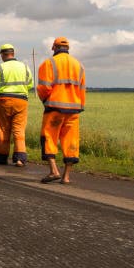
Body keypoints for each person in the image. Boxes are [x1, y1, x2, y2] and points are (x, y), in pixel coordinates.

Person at [37, 37, 86, 184]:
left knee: (49, 138)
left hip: (54, 109)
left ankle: (53, 171)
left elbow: (44, 87)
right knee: (71, 141)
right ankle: (66, 177)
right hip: (74, 110)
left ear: (54, 48)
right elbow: (82, 90)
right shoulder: (79, 65)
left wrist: (45, 101)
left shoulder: (49, 63)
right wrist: (79, 106)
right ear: (68, 48)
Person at [0, 44, 34, 167]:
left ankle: (2, 157)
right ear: (13, 53)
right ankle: (20, 159)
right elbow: (30, 85)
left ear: (2, 54)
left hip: (3, 101)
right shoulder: (24, 67)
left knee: (3, 128)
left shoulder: (0, 68)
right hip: (21, 101)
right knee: (19, 129)